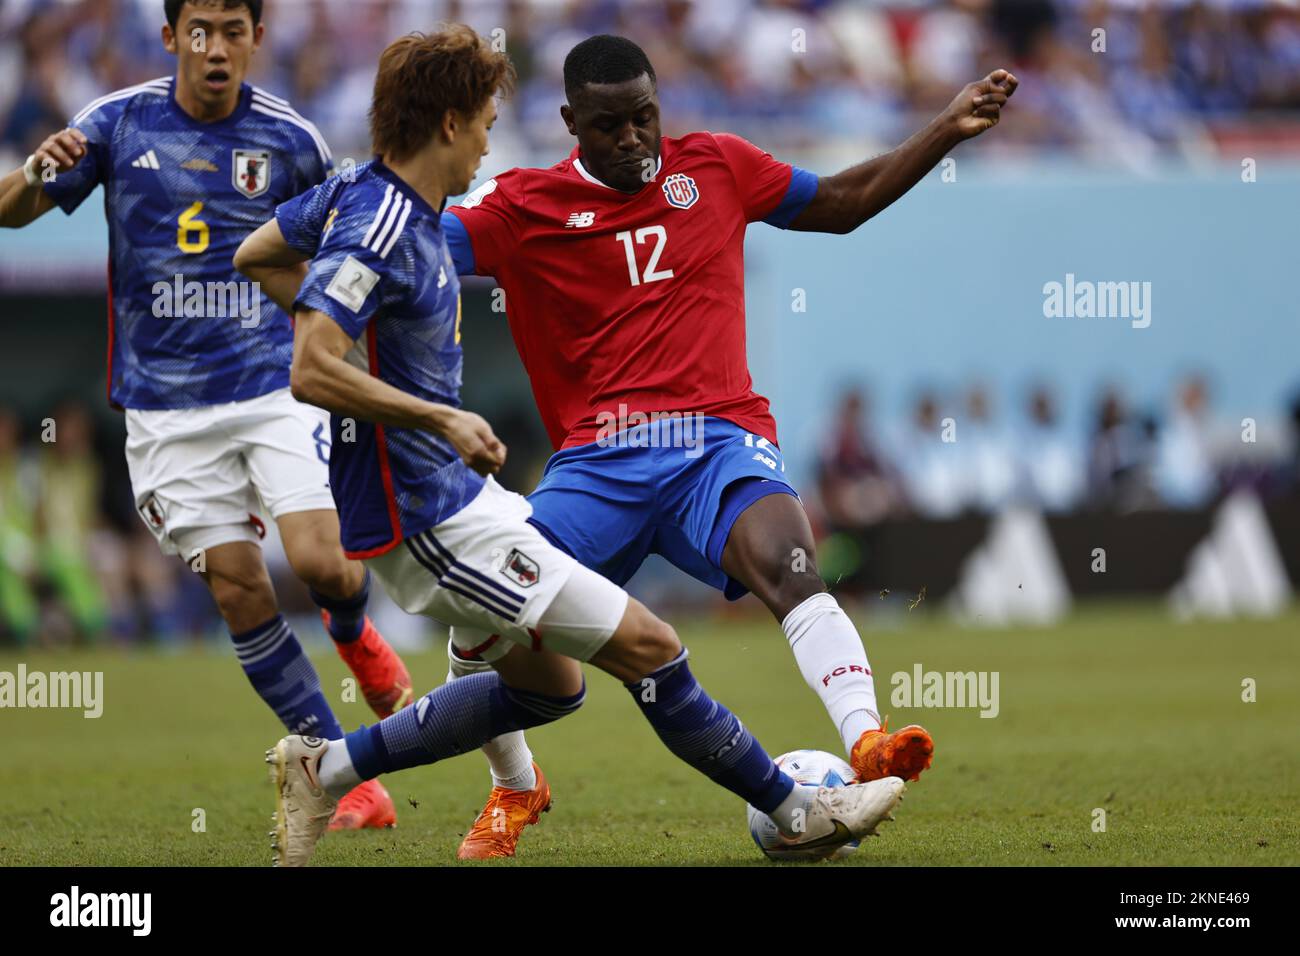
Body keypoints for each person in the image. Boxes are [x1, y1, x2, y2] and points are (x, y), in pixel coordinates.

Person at [235, 26, 907, 868]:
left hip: (529, 485)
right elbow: (313, 358)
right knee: (643, 650)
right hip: (448, 507)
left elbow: (255, 249)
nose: (490, 138)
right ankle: (797, 810)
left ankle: (340, 768)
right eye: (483, 119)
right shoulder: (415, 222)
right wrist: (433, 413)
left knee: (550, 687)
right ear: (452, 124)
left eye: (644, 118)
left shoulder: (381, 208)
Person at [438, 34, 1016, 854]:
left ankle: (867, 741)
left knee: (791, 563)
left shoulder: (717, 166)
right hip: (598, 460)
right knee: (481, 611)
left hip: (718, 438)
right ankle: (515, 788)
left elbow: (842, 203)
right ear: (571, 122)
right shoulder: (520, 206)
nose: (635, 138)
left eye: (645, 118)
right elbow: (414, 254)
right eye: (611, 127)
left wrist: (944, 128)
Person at [0, 0, 413, 829]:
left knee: (323, 561)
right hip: (164, 412)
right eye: (200, 30)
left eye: (232, 30)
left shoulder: (294, 140)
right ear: (169, 37)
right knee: (238, 589)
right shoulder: (114, 125)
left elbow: (342, 254)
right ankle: (351, 778)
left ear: (257, 37)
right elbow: (11, 212)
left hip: (271, 388)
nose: (215, 48)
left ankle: (360, 639)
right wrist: (35, 172)